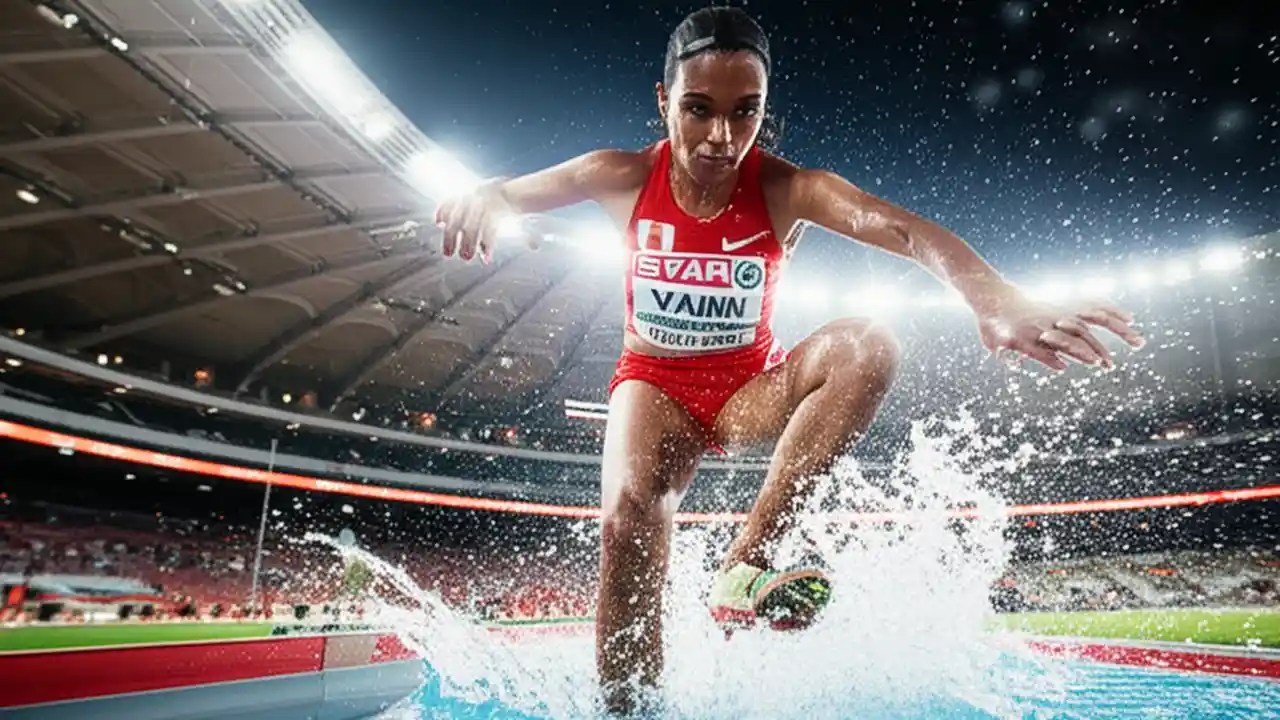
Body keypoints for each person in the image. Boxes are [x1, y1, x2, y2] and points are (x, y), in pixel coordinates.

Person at [434, 6, 1145, 713]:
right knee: (627, 523)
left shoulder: (788, 189)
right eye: (698, 110)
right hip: (653, 384)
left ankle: (743, 565)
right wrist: (484, 199)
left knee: (869, 342)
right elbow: (506, 194)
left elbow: (899, 227)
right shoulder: (617, 174)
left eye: (745, 113)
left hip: (749, 387)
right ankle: (627, 708)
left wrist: (992, 298)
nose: (721, 137)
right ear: (663, 102)